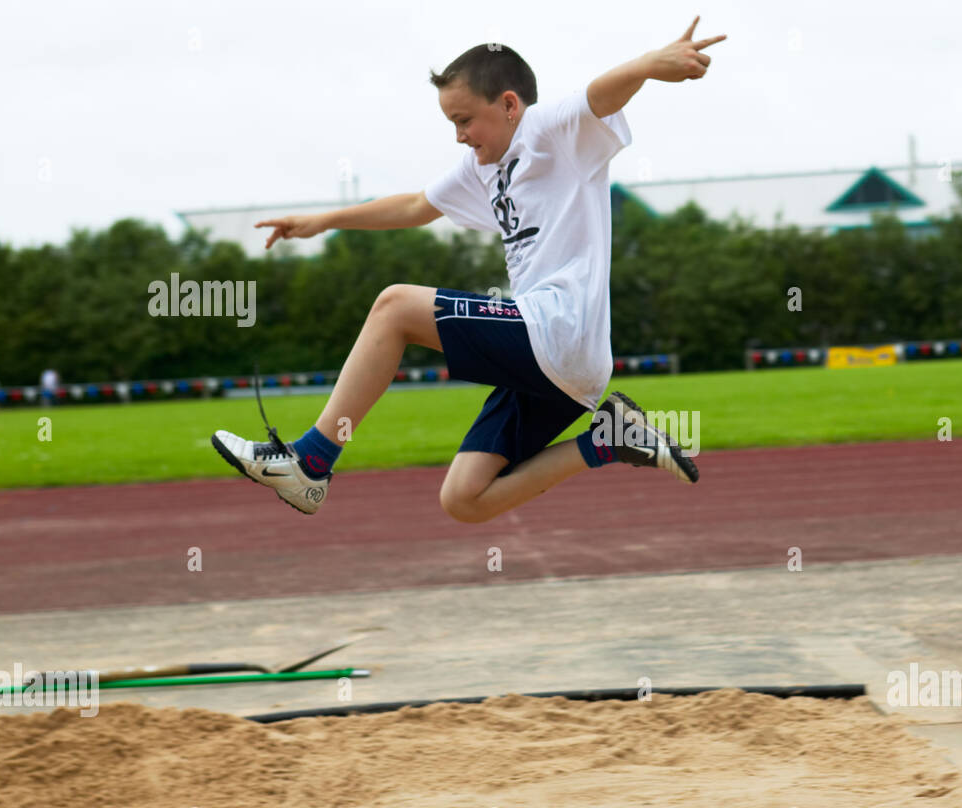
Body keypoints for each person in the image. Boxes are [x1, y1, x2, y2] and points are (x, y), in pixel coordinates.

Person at [213, 20, 723, 519]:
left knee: (394, 308)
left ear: (508, 105)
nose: (459, 136)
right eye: (452, 124)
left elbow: (600, 95)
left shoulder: (548, 132)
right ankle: (609, 441)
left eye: (464, 120)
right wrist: (322, 220)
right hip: (559, 367)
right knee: (464, 499)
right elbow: (416, 205)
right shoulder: (483, 168)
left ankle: (311, 461)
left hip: (557, 330)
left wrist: (652, 64)